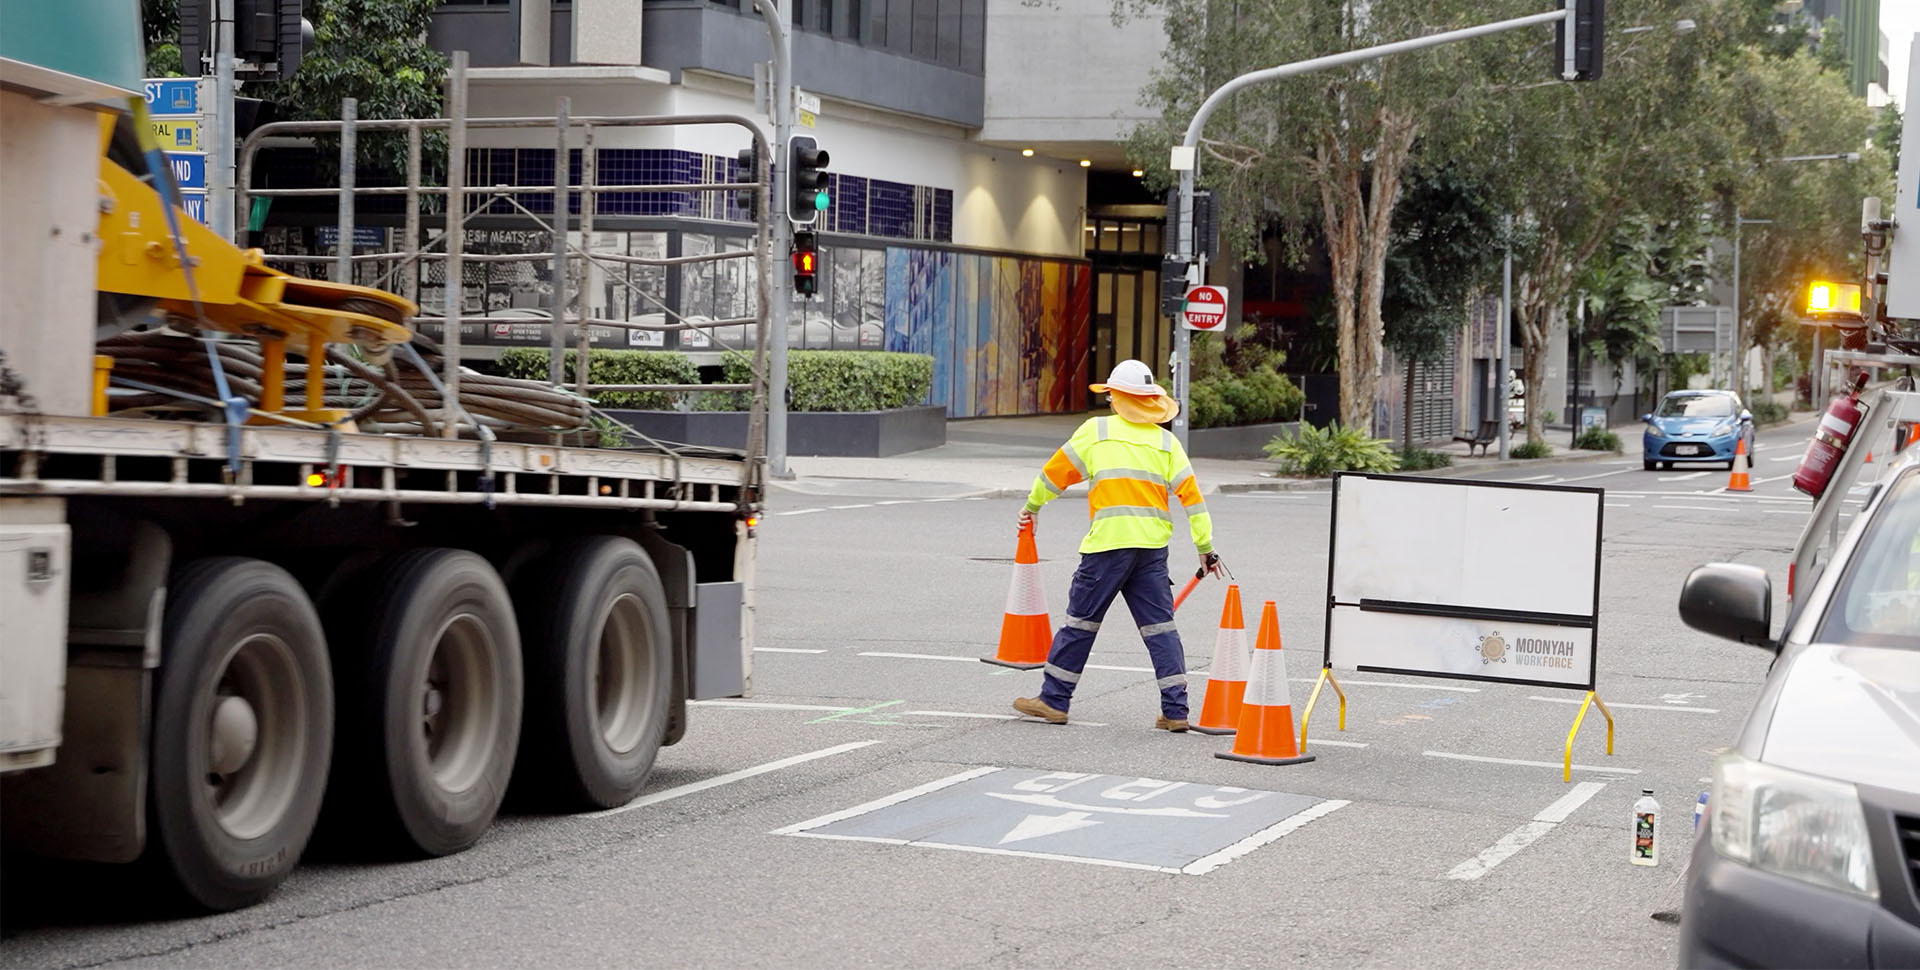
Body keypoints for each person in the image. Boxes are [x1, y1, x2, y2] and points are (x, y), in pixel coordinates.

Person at [1012, 359, 1226, 731]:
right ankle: (1176, 711)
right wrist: (1205, 549)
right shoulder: (1166, 442)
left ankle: (1054, 700)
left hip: (1107, 548)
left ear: (1116, 397)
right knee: (1161, 629)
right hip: (1151, 552)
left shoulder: (1096, 432)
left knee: (1079, 625)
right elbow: (1193, 501)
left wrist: (1032, 507)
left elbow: (1053, 475)